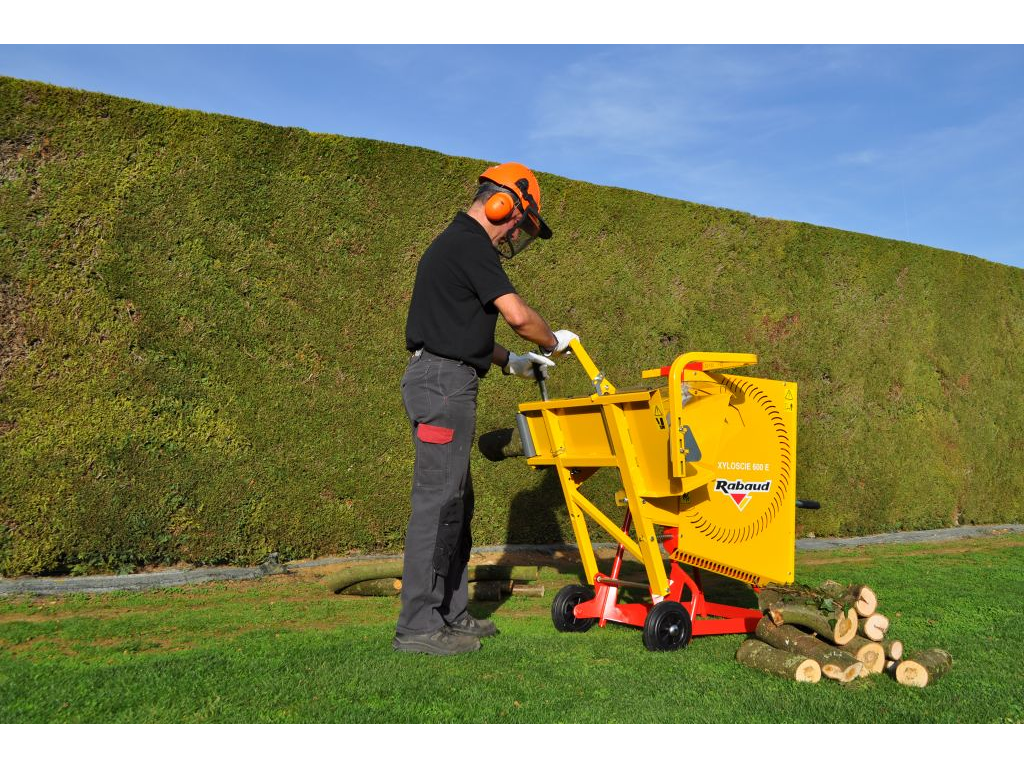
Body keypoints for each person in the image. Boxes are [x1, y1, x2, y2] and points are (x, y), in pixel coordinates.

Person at [394, 162, 577, 655]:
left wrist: (511, 362)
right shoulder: (470, 244)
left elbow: (459, 330)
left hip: (447, 380)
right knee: (437, 507)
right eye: (520, 222)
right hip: (444, 387)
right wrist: (552, 341)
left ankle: (451, 613)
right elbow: (517, 316)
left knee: (457, 504)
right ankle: (417, 627)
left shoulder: (456, 246)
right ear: (502, 206)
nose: (516, 233)